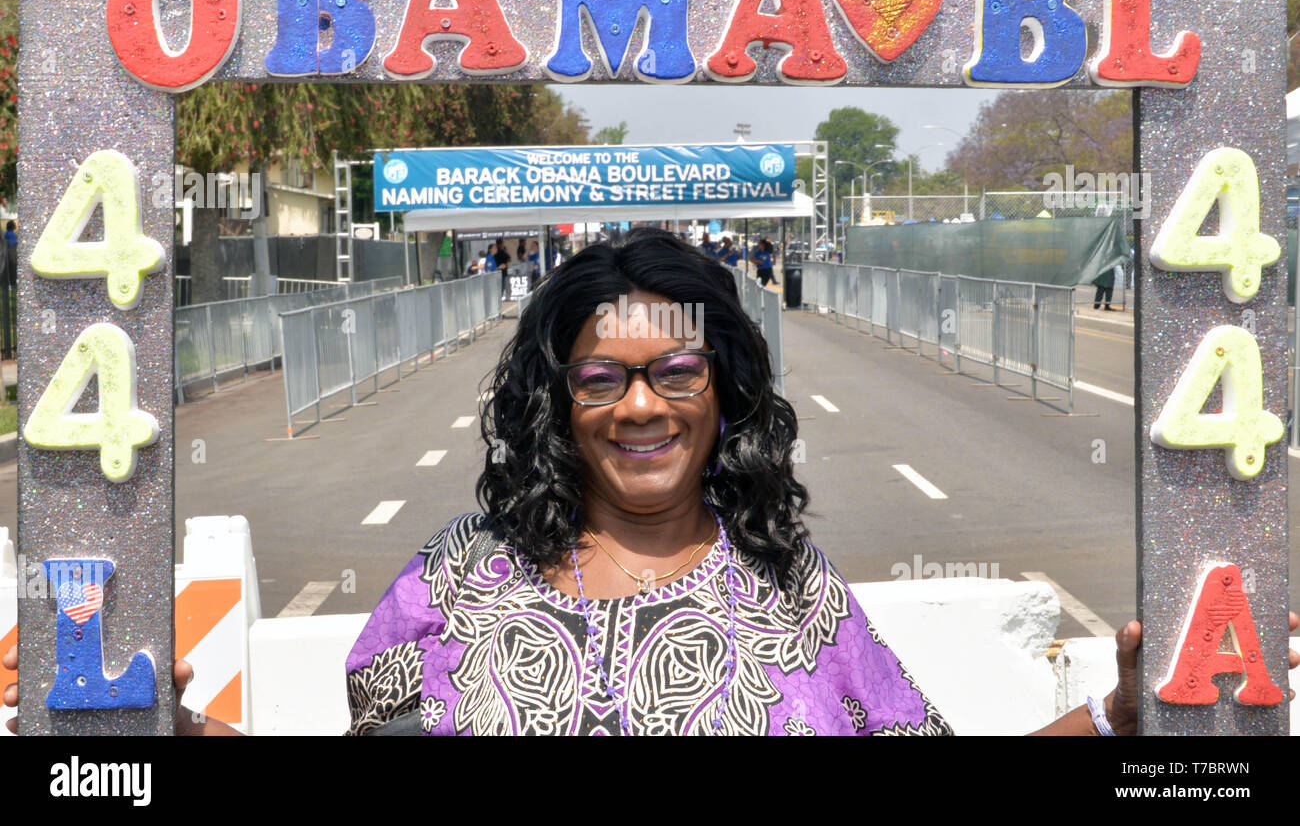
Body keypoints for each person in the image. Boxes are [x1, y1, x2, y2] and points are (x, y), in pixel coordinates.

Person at [8, 231, 1299, 736]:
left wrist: (1132, 721)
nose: (639, 405)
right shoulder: (462, 578)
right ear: (554, 403)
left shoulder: (791, 593)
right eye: (599, 378)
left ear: (724, 389)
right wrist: (160, 731)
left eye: (676, 370)